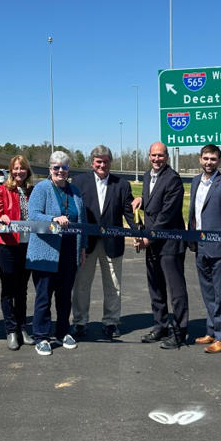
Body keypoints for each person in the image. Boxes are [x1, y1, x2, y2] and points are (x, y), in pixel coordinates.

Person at [26, 151, 87, 356]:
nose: (60, 171)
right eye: (56, 167)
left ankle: (63, 331)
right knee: (44, 296)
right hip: (46, 251)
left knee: (64, 296)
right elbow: (33, 215)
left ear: (69, 169)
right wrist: (53, 219)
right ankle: (41, 336)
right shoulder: (42, 188)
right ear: (50, 169)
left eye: (64, 167)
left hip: (69, 251)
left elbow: (82, 221)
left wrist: (83, 247)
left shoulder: (75, 191)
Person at [71, 145, 136, 340]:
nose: (102, 165)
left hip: (112, 243)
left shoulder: (122, 184)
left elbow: (129, 212)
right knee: (81, 284)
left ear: (110, 162)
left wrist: (138, 232)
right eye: (98, 162)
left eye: (105, 162)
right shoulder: (79, 182)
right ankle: (80, 322)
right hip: (86, 244)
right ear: (92, 162)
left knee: (113, 285)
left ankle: (111, 322)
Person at [135, 142, 189, 350]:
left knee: (176, 291)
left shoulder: (173, 179)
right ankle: (161, 327)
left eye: (160, 155)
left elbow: (167, 213)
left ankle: (180, 332)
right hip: (153, 243)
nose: (156, 159)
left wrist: (149, 238)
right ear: (149, 156)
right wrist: (141, 200)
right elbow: (153, 203)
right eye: (153, 155)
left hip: (169, 243)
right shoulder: (147, 176)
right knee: (155, 288)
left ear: (167, 157)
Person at [188, 145, 221, 354]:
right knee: (208, 292)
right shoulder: (195, 181)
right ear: (200, 159)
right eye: (206, 158)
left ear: (218, 161)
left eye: (213, 159)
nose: (209, 162)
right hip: (200, 245)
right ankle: (212, 330)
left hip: (220, 247)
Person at [0, 155, 35, 350]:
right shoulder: (1, 190)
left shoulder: (33, 190)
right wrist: (1, 216)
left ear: (27, 171)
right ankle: (11, 330)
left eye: (22, 168)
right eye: (15, 168)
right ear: (11, 170)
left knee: (22, 289)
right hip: (7, 245)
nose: (19, 172)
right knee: (8, 288)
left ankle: (22, 328)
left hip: (28, 245)